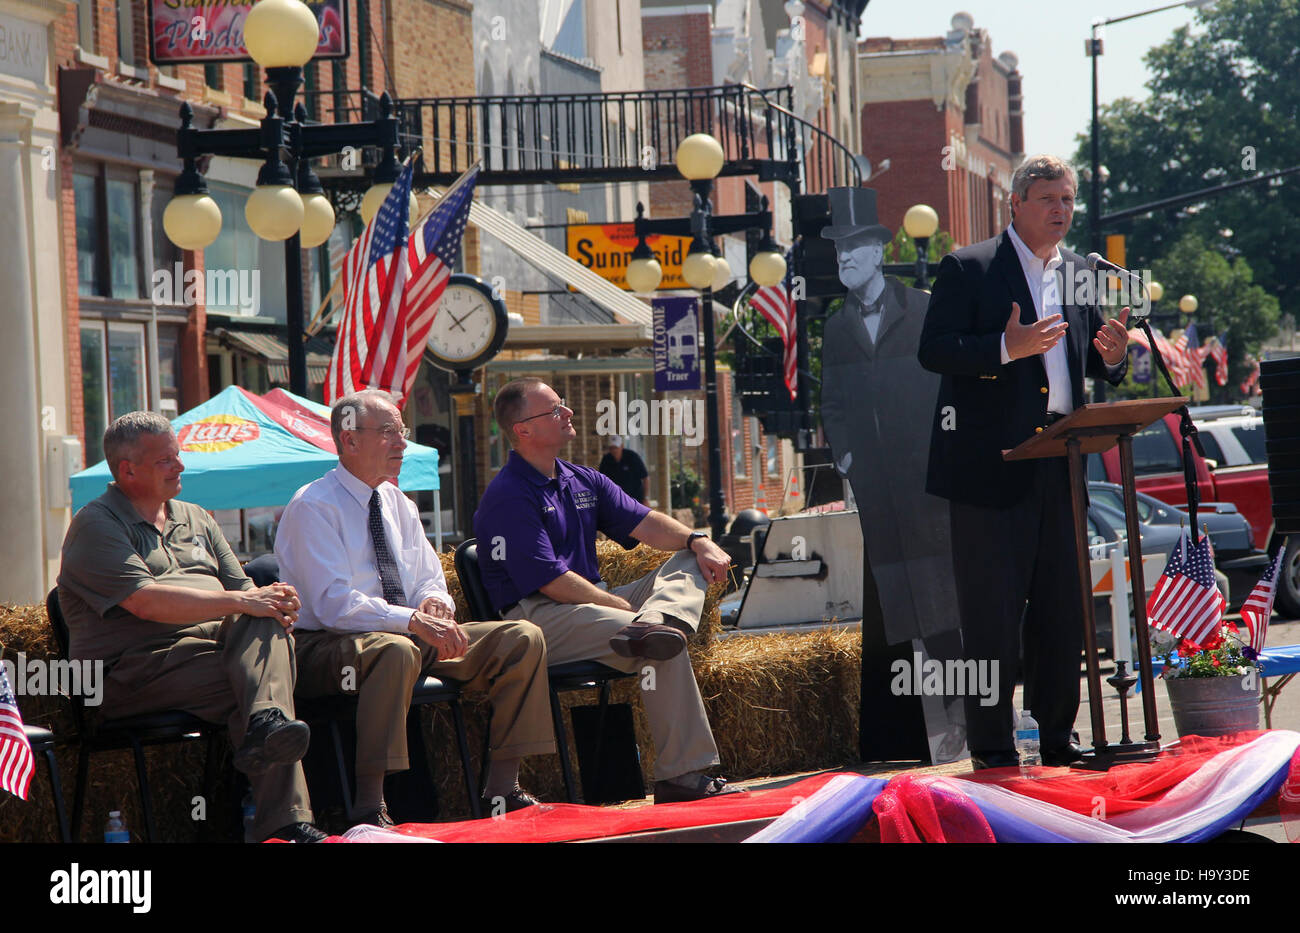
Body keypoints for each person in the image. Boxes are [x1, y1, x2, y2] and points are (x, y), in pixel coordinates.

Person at [918, 154, 1130, 770]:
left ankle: (1059, 736)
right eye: (1047, 199)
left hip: (1062, 465)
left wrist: (1112, 358)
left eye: (1067, 199)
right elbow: (933, 351)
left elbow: (1085, 362)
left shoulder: (1082, 274)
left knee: (1064, 607)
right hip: (991, 470)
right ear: (1016, 203)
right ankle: (991, 747)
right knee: (990, 617)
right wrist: (1004, 348)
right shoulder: (969, 267)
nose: (1061, 210)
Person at [274, 389, 555, 824]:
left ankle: (503, 791)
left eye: (401, 431)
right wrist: (413, 620)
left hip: (404, 635)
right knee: (395, 650)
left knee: (521, 638)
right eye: (389, 432)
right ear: (348, 440)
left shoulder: (398, 503)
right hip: (329, 647)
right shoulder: (312, 506)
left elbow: (429, 575)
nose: (403, 442)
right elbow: (334, 605)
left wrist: (434, 604)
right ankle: (370, 807)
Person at [57, 412, 323, 843]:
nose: (180, 466)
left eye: (178, 456)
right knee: (262, 682)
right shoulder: (96, 525)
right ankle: (285, 821)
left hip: (209, 654)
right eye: (166, 460)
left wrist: (279, 602)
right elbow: (145, 602)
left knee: (263, 647)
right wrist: (245, 601)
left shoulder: (196, 516)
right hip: (133, 671)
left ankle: (267, 731)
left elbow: (245, 588)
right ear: (127, 470)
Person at [474, 377, 737, 802]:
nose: (568, 413)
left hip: (593, 607)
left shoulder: (582, 479)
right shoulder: (507, 496)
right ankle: (682, 776)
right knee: (655, 639)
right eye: (555, 409)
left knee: (680, 582)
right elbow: (552, 582)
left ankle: (654, 623)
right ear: (523, 429)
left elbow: (646, 522)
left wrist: (697, 540)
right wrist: (618, 605)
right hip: (539, 620)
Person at [818, 185, 966, 764]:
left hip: (929, 484)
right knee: (899, 603)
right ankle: (923, 733)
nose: (845, 261)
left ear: (879, 252)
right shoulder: (834, 329)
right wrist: (849, 458)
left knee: (945, 597)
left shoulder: (923, 307)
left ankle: (968, 717)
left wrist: (946, 448)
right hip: (876, 489)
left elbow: (950, 384)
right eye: (837, 254)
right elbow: (830, 403)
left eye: (854, 250)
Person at [598, 435, 649, 504]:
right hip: (615, 500)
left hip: (635, 499)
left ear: (622, 446)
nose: (614, 450)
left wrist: (645, 498)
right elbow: (601, 481)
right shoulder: (606, 460)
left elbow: (645, 478)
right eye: (611, 448)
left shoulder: (632, 457)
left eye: (616, 447)